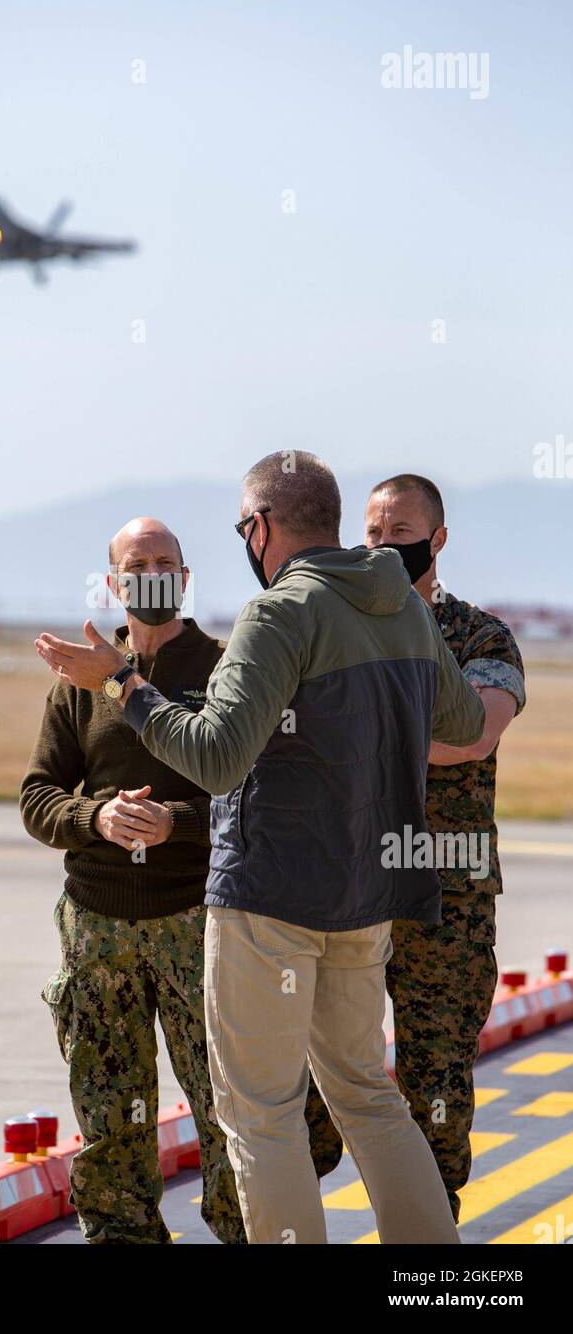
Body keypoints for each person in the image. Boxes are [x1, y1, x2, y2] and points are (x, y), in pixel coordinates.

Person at [35, 451, 487, 1245]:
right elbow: (459, 722)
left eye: (247, 526)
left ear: (264, 527)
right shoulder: (402, 608)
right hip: (368, 893)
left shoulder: (277, 614)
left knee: (260, 1113)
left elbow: (215, 757)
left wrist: (123, 686)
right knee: (366, 1096)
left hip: (272, 896)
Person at [20, 515, 341, 1245]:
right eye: (138, 564)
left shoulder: (227, 668)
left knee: (227, 1109)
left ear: (187, 577)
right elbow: (38, 796)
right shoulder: (83, 682)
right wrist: (98, 817)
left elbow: (264, 793)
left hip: (202, 923)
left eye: (166, 561)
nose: (153, 574)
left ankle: (243, 1234)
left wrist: (179, 823)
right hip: (97, 927)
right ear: (113, 583)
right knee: (109, 1119)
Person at [364, 472, 526, 1221]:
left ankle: (428, 1241)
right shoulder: (342, 629)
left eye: (401, 534)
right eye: (374, 534)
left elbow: (475, 733)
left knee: (436, 1082)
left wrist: (362, 736)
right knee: (319, 1082)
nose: (386, 546)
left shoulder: (479, 636)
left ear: (438, 538)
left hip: (444, 889)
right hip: (350, 887)